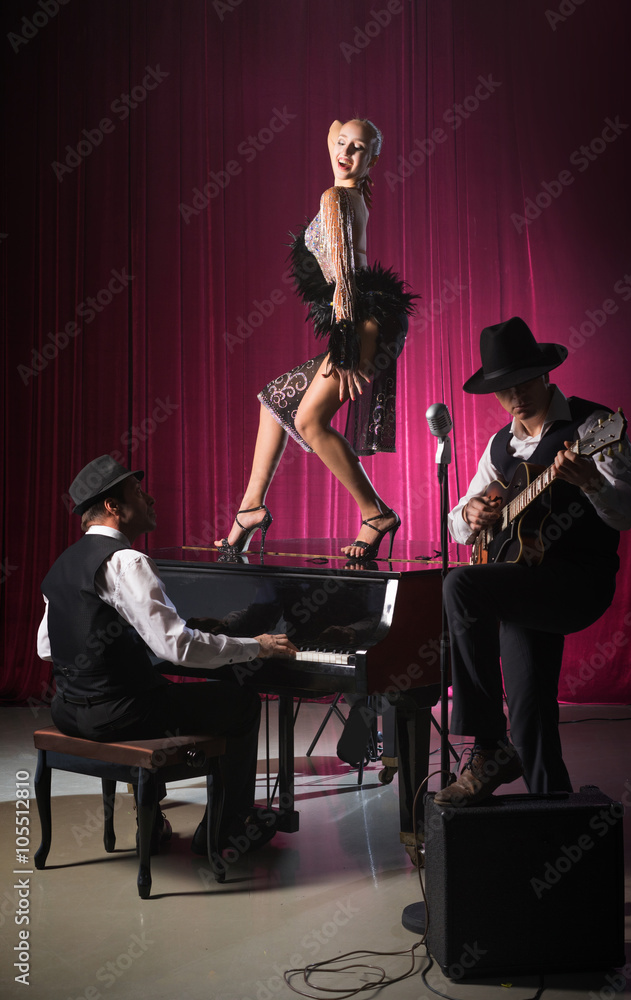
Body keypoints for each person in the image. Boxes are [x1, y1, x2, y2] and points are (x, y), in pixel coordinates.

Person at [38, 455, 297, 857]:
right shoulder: (128, 561)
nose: (150, 499)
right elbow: (177, 646)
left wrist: (127, 639)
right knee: (241, 703)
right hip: (116, 715)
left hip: (67, 710)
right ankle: (228, 829)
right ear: (113, 507)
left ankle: (153, 820)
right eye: (138, 494)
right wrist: (256, 645)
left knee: (160, 688)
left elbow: (47, 647)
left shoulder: (64, 563)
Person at [435, 317, 631, 806]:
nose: (516, 397)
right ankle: (554, 823)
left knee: (461, 585)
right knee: (530, 715)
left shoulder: (593, 426)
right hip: (521, 582)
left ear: (545, 374)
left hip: (576, 581)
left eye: (524, 382)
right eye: (504, 390)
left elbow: (627, 513)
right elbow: (457, 525)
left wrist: (589, 481)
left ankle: (487, 747)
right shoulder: (497, 448)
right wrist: (472, 512)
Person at [214, 118, 417, 561]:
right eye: (341, 143)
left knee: (308, 420)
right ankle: (249, 508)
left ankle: (375, 513)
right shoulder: (355, 194)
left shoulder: (336, 198)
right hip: (369, 318)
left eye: (358, 148)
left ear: (372, 159)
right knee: (274, 400)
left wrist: (348, 352)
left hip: (361, 322)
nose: (346, 153)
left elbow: (345, 282)